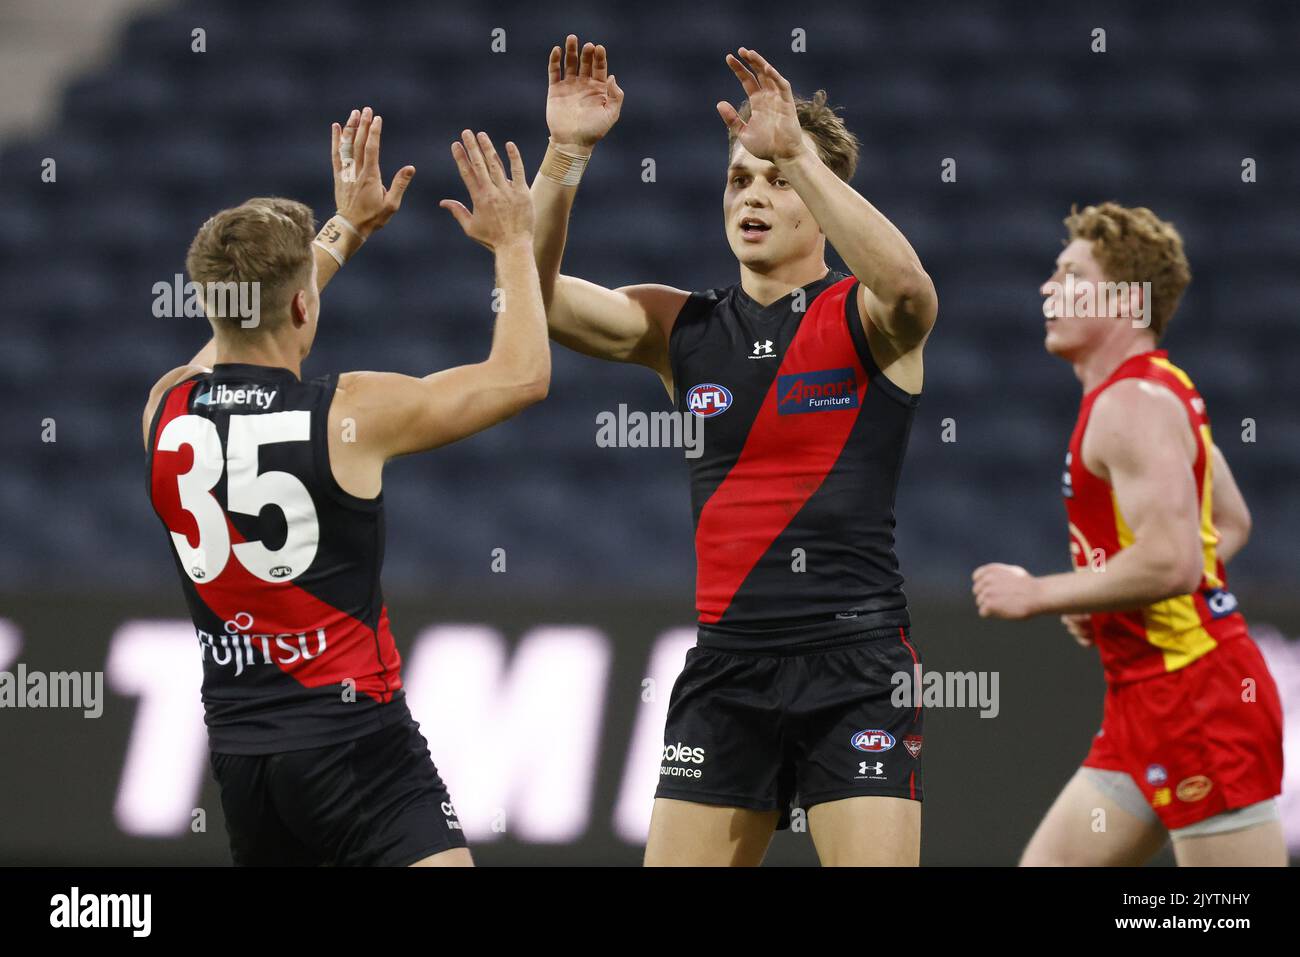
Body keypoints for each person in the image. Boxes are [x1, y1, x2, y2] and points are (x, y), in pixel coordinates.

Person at [530, 37, 937, 865]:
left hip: (856, 666)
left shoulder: (865, 319)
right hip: (727, 669)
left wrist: (800, 153)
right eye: (738, 178)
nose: (752, 195)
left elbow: (909, 289)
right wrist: (565, 156)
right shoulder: (681, 327)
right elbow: (526, 301)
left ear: (819, 202)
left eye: (777, 180)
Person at [143, 108, 548, 865]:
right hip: (357, 744)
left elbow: (236, 335)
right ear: (304, 306)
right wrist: (515, 241)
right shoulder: (347, 411)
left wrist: (344, 229)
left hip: (244, 764)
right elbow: (522, 375)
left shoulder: (164, 408)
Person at [972, 202, 1285, 866]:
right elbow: (1229, 522)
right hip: (1143, 703)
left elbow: (1173, 562)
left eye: (1071, 274)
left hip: (1199, 699)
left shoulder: (1130, 405)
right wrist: (1104, 594)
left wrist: (1041, 592)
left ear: (1126, 300)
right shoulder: (1157, 387)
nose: (1046, 287)